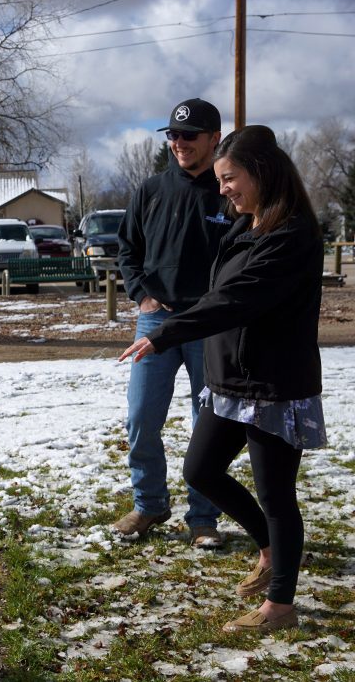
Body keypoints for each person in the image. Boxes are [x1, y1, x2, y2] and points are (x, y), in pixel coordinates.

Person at [119, 124, 325, 633]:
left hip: (272, 384)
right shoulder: (247, 224)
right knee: (201, 470)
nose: (224, 189)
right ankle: (270, 549)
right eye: (220, 180)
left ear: (263, 172)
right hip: (230, 379)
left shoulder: (292, 234)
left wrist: (166, 333)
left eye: (230, 178)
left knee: (277, 495)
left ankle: (280, 607)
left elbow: (238, 299)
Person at [114, 98, 233, 547]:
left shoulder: (228, 192)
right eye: (173, 135)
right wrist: (142, 296)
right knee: (142, 417)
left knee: (209, 425)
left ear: (214, 138)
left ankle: (203, 518)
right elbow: (128, 251)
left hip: (210, 328)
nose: (179, 143)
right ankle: (149, 505)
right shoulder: (150, 190)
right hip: (156, 326)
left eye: (189, 135)